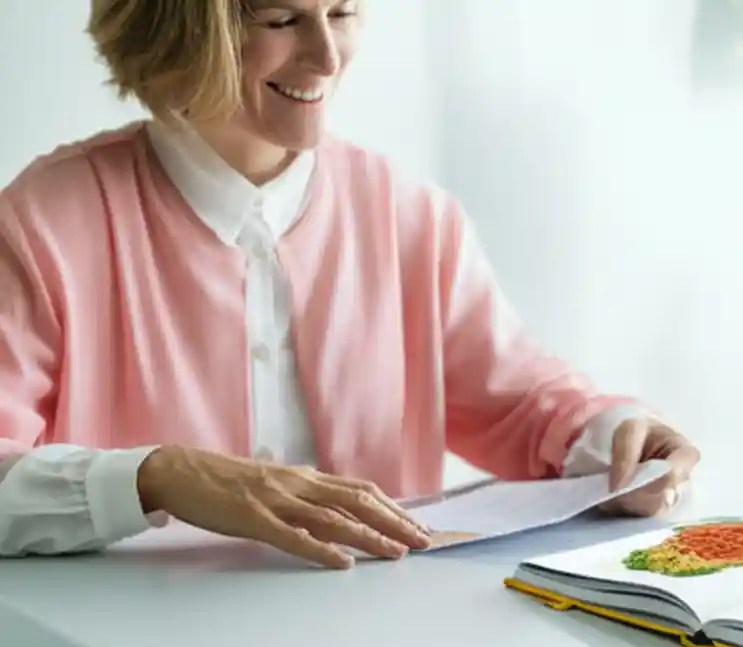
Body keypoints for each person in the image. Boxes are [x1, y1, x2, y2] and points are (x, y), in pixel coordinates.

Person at [0, 0, 699, 570]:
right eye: (281, 20)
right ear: (178, 28)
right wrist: (162, 475)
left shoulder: (409, 216)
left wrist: (617, 438)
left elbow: (525, 405)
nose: (328, 58)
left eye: (341, 11)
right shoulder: (43, 223)